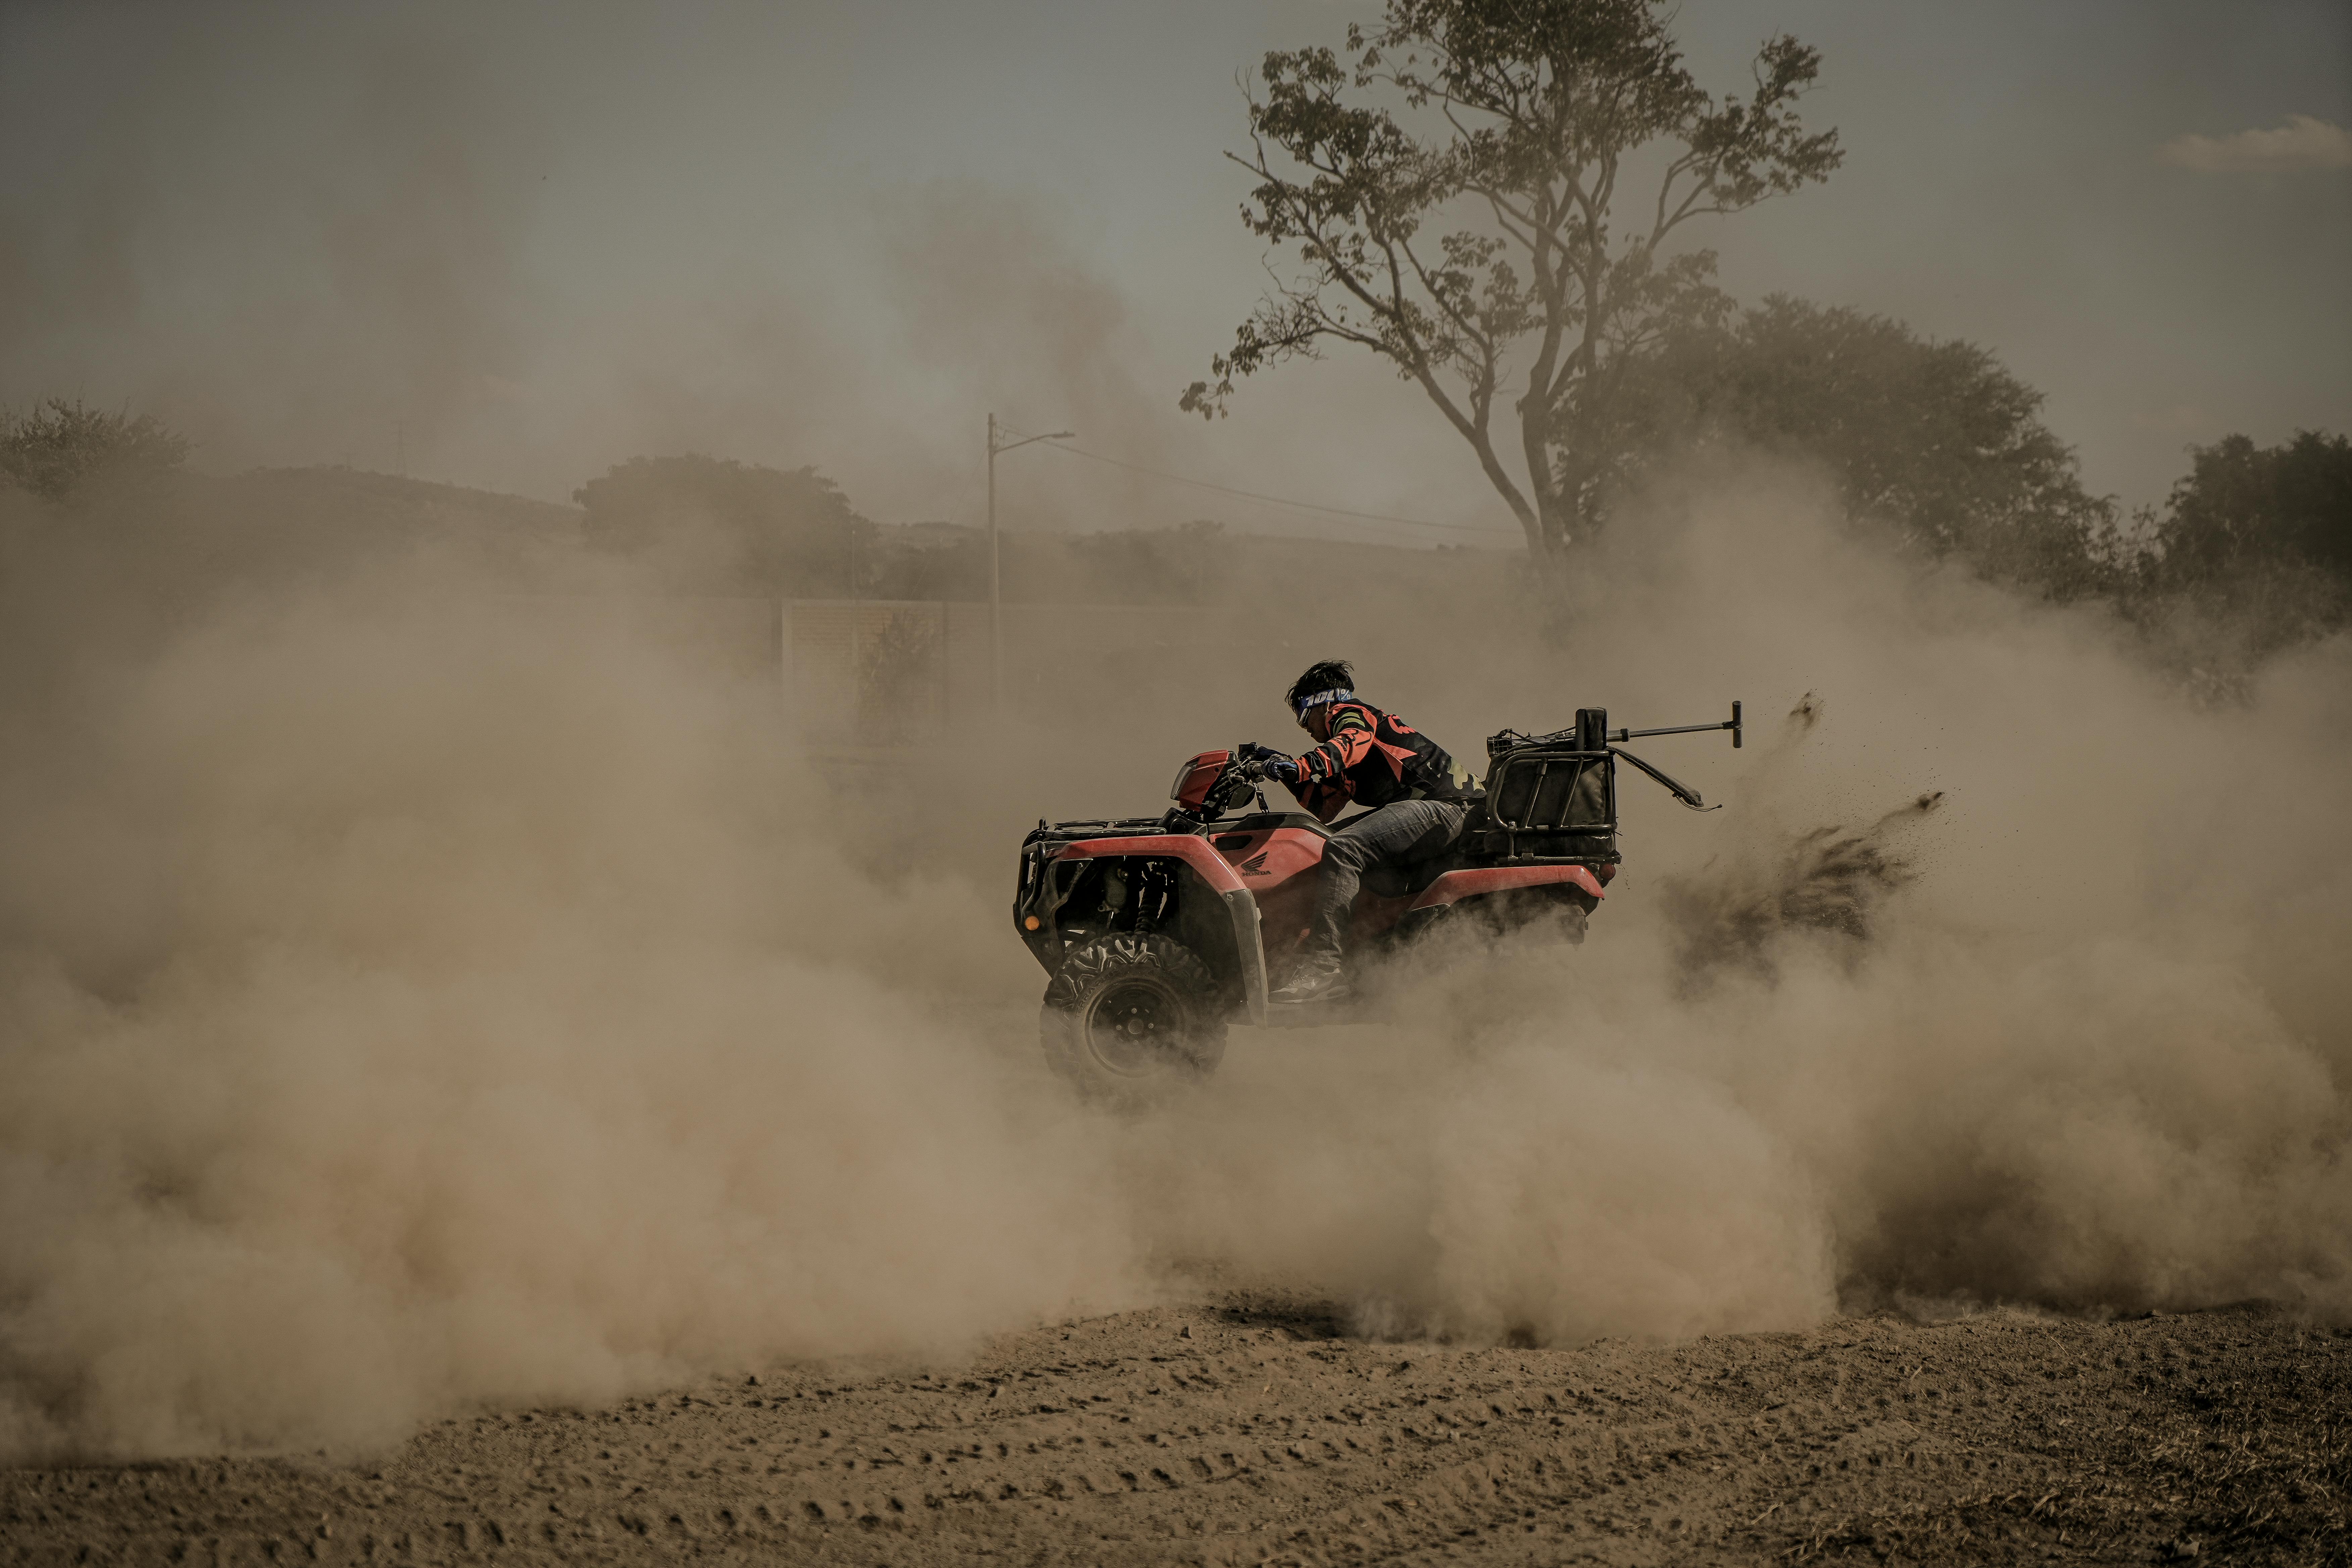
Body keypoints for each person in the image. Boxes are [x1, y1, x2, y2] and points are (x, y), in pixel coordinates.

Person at [1247, 660, 1478, 1004]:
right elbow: (1325, 807)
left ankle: (1324, 968)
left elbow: (1348, 744)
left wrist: (1300, 765)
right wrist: (1284, 769)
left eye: (1304, 716)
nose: (1304, 727)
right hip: (1430, 810)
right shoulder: (1344, 751)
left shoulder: (1351, 714)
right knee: (1314, 841)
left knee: (1344, 848)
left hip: (1450, 807)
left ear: (1324, 704)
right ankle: (1326, 951)